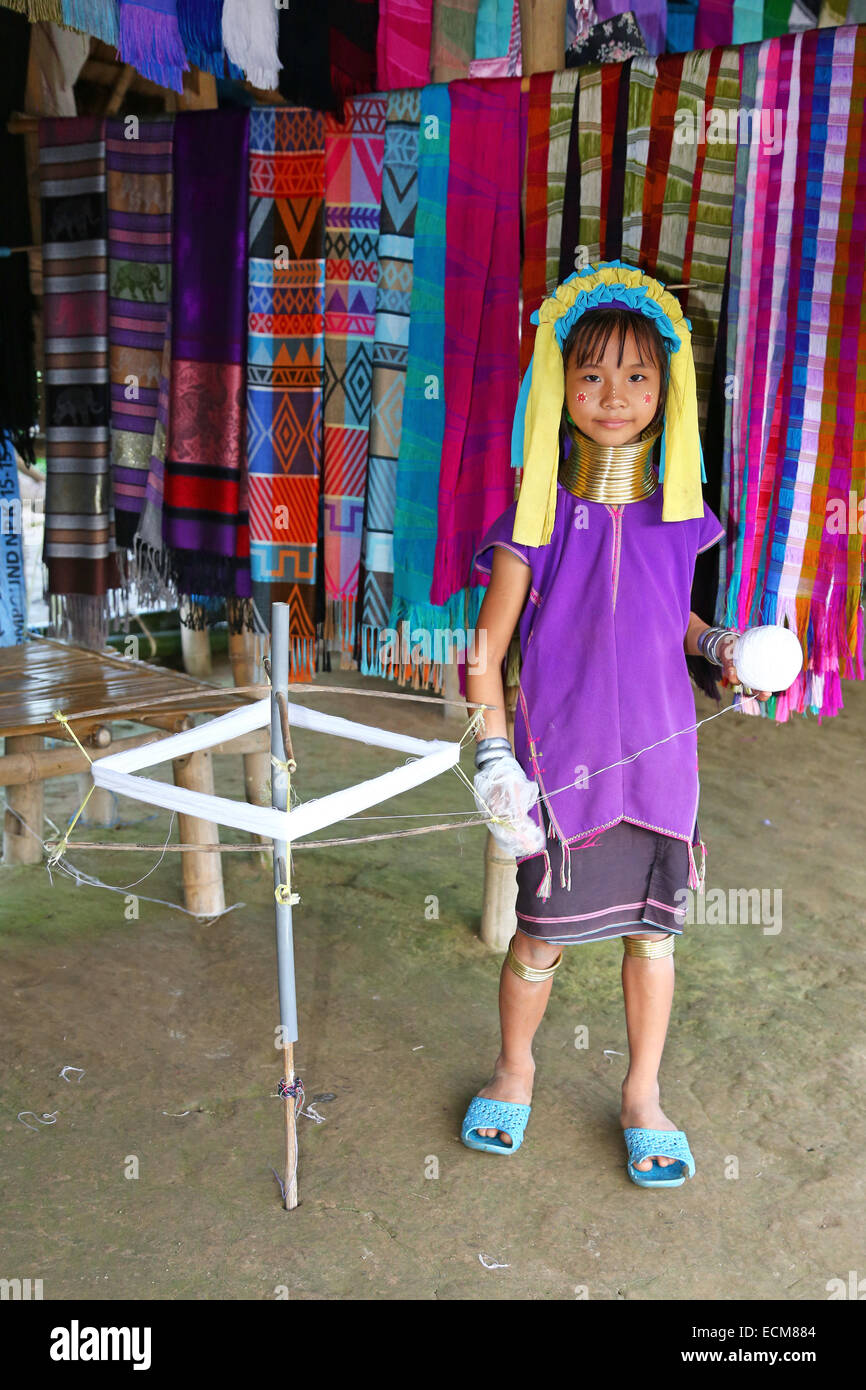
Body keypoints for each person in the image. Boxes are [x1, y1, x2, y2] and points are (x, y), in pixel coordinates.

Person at [460, 262, 770, 1187]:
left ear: (666, 391)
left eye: (638, 376)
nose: (613, 396)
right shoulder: (539, 511)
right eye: (590, 374)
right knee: (541, 933)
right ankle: (514, 1070)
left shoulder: (683, 518)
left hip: (663, 761)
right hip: (565, 763)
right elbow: (485, 650)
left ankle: (643, 1093)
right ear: (559, 386)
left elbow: (664, 611)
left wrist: (721, 646)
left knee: (653, 935)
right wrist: (492, 756)